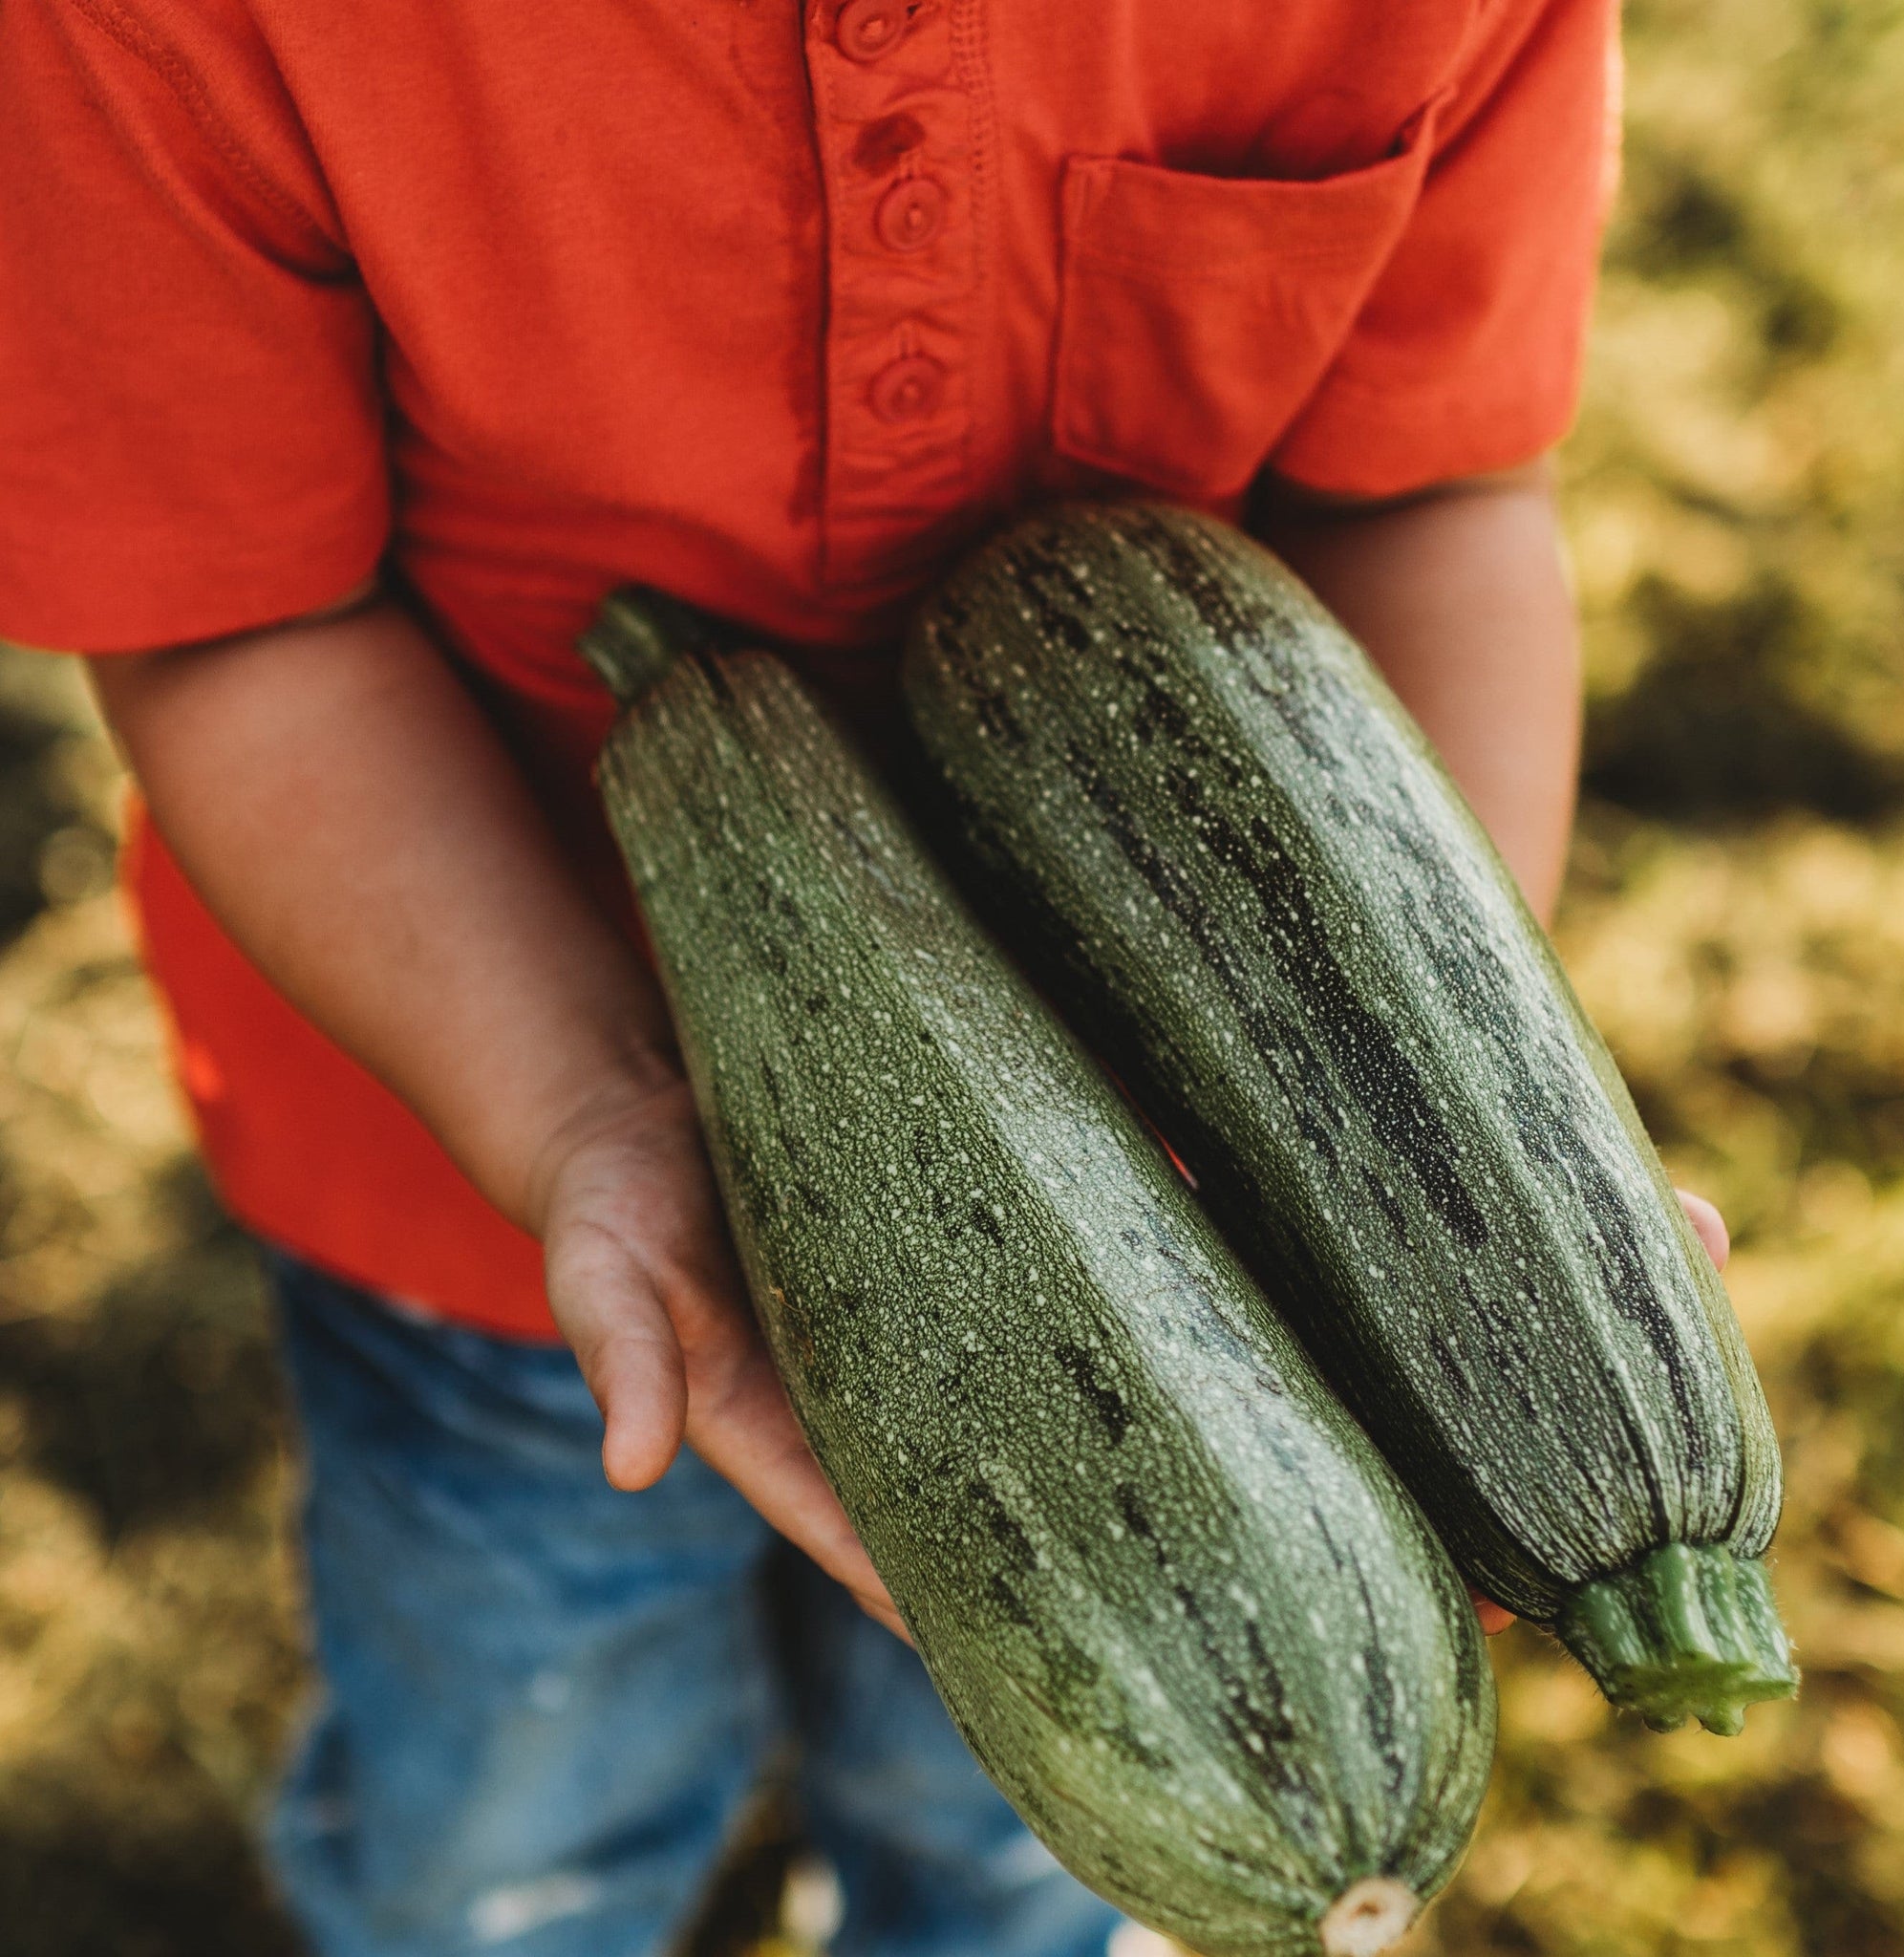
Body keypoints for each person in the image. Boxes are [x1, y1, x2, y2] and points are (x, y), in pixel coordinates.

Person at [0, 1, 1730, 1952]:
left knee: (1008, 1825)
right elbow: (237, 623)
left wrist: (1427, 1108)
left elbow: (1430, 491)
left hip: (1183, 1266)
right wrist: (576, 1113)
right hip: (468, 1195)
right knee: (513, 1793)